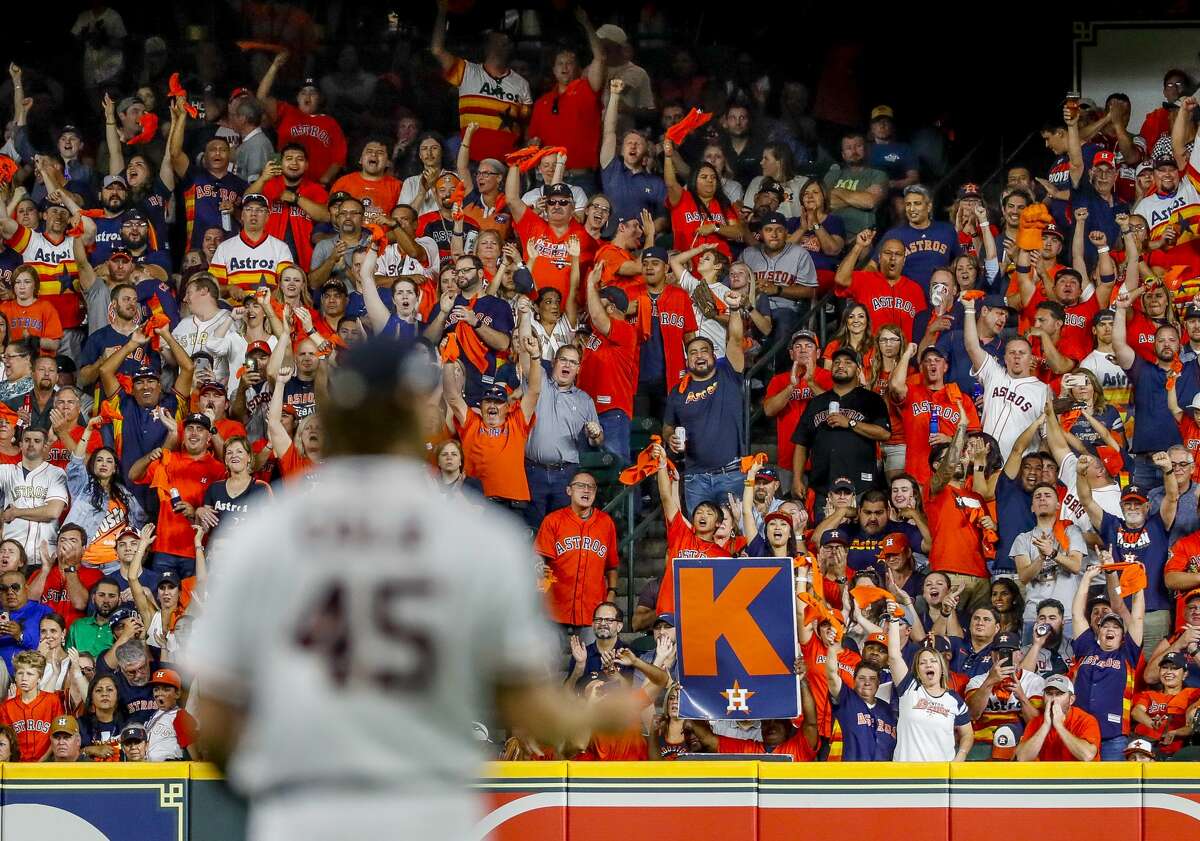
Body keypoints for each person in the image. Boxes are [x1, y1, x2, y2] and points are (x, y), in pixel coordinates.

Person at [187, 337, 640, 839]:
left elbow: (220, 721)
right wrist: (599, 711)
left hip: (306, 812)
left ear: (334, 416)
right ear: (417, 416)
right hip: (424, 812)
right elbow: (529, 707)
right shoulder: (480, 539)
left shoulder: (264, 533)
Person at [664, 308, 746, 514]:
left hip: (732, 473)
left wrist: (734, 309)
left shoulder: (728, 373)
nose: (699, 356)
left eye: (704, 351)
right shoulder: (678, 391)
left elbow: (735, 339)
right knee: (700, 539)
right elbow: (667, 426)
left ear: (713, 355)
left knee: (735, 536)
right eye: (693, 353)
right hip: (695, 478)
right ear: (687, 360)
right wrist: (671, 437)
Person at [431, 5, 531, 163]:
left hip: (507, 165)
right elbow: (437, 49)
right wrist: (442, 11)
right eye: (498, 40)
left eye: (506, 42)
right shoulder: (467, 71)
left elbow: (526, 128)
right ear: (488, 45)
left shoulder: (522, 84)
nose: (503, 44)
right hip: (472, 163)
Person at [790, 347, 891, 503]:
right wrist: (797, 478)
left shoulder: (872, 400)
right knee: (822, 528)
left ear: (858, 370)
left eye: (847, 362)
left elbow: (884, 433)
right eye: (836, 362)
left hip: (861, 486)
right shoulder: (817, 402)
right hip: (823, 486)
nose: (840, 365)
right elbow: (801, 443)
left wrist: (850, 423)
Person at [961, 293, 1051, 461]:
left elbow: (1047, 436)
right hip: (985, 462)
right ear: (1005, 358)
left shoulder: (1043, 390)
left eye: (1022, 353)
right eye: (1012, 353)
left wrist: (1038, 463)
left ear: (1031, 358)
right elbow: (972, 347)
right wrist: (969, 310)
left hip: (1018, 467)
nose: (1017, 356)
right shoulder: (994, 373)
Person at [1070, 564, 1145, 760]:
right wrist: (1087, 577)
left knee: (1113, 789)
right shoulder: (1086, 648)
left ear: (1122, 635)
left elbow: (1137, 618)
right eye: (1105, 626)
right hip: (1080, 732)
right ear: (1099, 631)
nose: (1110, 629)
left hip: (1113, 735)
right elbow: (1077, 614)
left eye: (1116, 627)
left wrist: (1139, 585)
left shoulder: (1127, 654)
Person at [535, 471, 619, 632]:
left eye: (591, 487)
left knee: (592, 655)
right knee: (552, 656)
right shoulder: (553, 520)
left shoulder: (606, 523)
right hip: (556, 604)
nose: (586, 490)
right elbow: (538, 556)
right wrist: (538, 566)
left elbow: (612, 566)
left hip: (593, 607)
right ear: (569, 491)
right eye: (580, 486)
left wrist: (612, 594)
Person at [888, 604, 974, 761]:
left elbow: (967, 733)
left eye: (933, 661)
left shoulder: (954, 699)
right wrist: (894, 620)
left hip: (939, 777)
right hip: (906, 773)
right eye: (923, 662)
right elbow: (894, 656)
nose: (928, 664)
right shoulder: (909, 687)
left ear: (941, 668)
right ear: (917, 670)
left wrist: (960, 756)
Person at [834, 229, 926, 342]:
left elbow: (921, 326)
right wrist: (858, 247)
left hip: (903, 355)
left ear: (904, 260)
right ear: (879, 258)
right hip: (870, 353)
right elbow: (841, 279)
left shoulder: (915, 289)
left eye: (898, 254)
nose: (893, 257)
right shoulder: (865, 279)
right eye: (888, 253)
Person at [0, 426, 68, 557]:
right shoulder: (6, 471)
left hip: (45, 554)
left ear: (44, 446)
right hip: (11, 554)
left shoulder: (56, 473)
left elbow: (53, 512)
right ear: (20, 445)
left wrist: (15, 512)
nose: (31, 444)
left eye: (37, 441)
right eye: (27, 440)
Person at [1014, 673, 1101, 761]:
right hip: (1050, 773)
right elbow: (1022, 758)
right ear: (1043, 698)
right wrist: (1045, 726)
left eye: (1059, 694)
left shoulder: (1086, 720)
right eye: (1049, 694)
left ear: (1071, 700)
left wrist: (1059, 726)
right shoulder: (1037, 721)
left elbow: (1087, 755)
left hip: (1080, 774)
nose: (1053, 699)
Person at [0, 650, 62, 761]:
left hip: (47, 763)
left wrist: (44, 759)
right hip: (16, 765)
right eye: (20, 673)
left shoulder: (52, 701)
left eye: (30, 674)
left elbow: (57, 734)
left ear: (39, 678)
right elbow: (6, 741)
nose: (24, 678)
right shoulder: (6, 707)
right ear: (15, 676)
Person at [823, 132, 888, 238]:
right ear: (843, 154)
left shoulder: (878, 175)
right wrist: (859, 198)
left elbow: (870, 202)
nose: (854, 151)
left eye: (858, 146)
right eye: (849, 148)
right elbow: (823, 203)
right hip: (829, 233)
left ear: (866, 150)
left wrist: (836, 191)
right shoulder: (832, 175)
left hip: (862, 235)